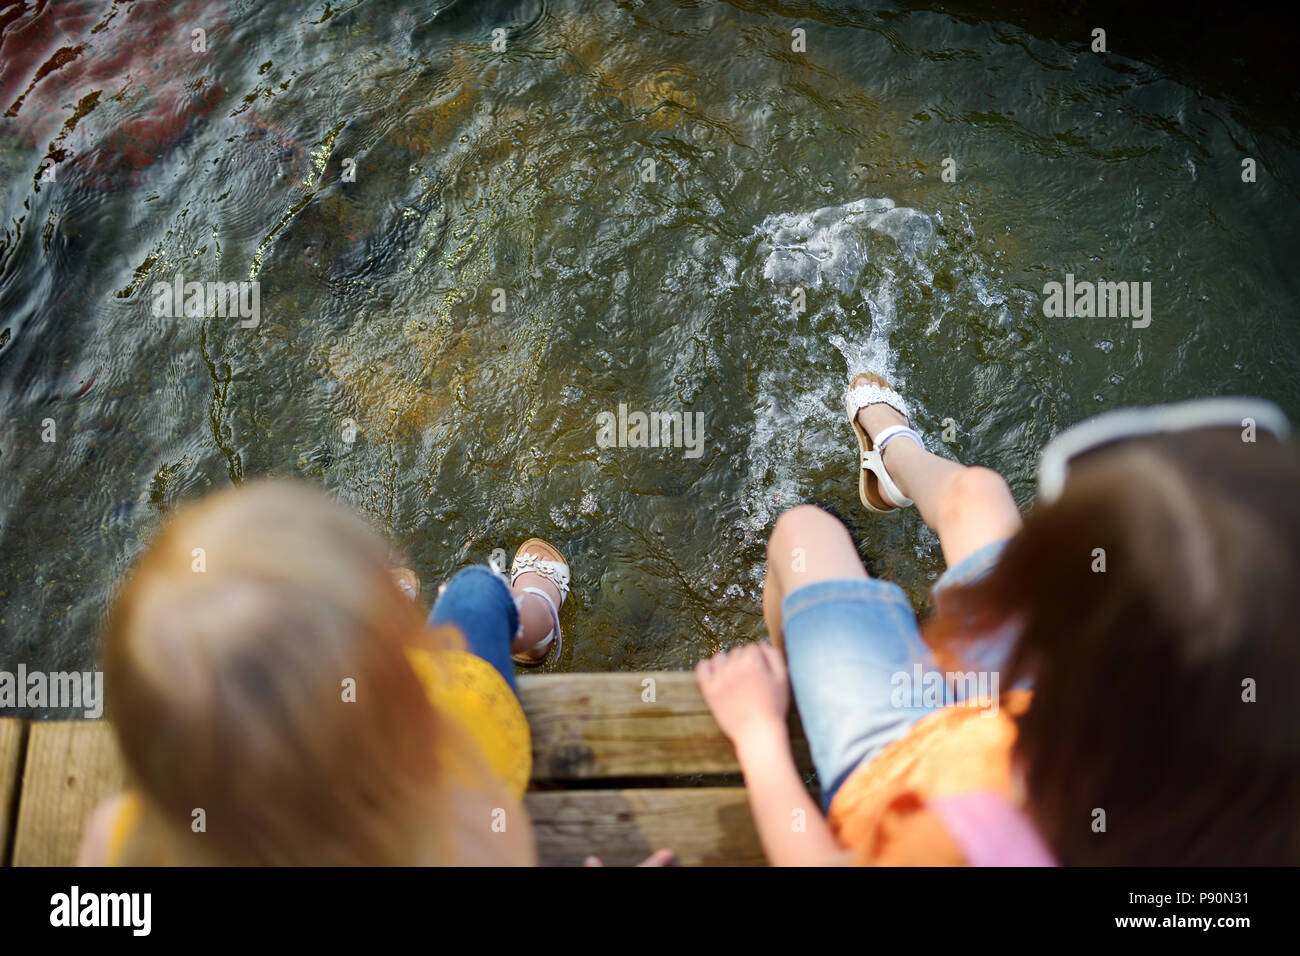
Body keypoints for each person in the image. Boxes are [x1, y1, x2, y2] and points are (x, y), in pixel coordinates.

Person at [696, 373, 1300, 866]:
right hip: (1031, 724)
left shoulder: (950, 847)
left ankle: (806, 711)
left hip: (903, 774)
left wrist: (758, 733)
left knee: (804, 531)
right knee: (976, 495)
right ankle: (890, 455)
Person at [78, 480, 671, 865]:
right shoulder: (470, 835)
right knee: (473, 594)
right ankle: (533, 620)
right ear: (408, 703)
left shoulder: (124, 845)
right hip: (446, 759)